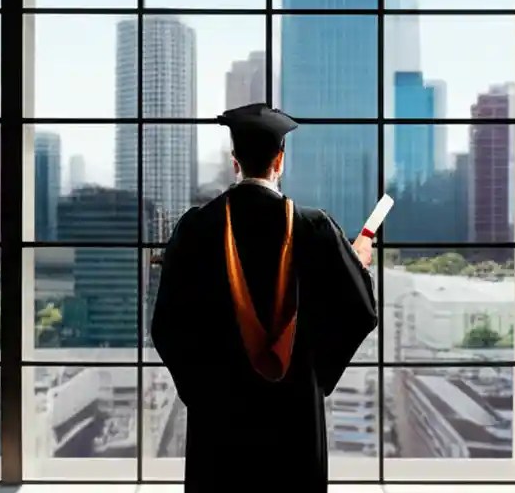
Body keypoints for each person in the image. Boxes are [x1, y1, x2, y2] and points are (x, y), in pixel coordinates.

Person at [151, 103, 378, 492]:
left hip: (220, 413)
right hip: (292, 411)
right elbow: (358, 311)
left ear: (234, 161)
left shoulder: (196, 227)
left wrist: (201, 390)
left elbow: (167, 325)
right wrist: (312, 372)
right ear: (280, 160)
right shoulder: (314, 226)